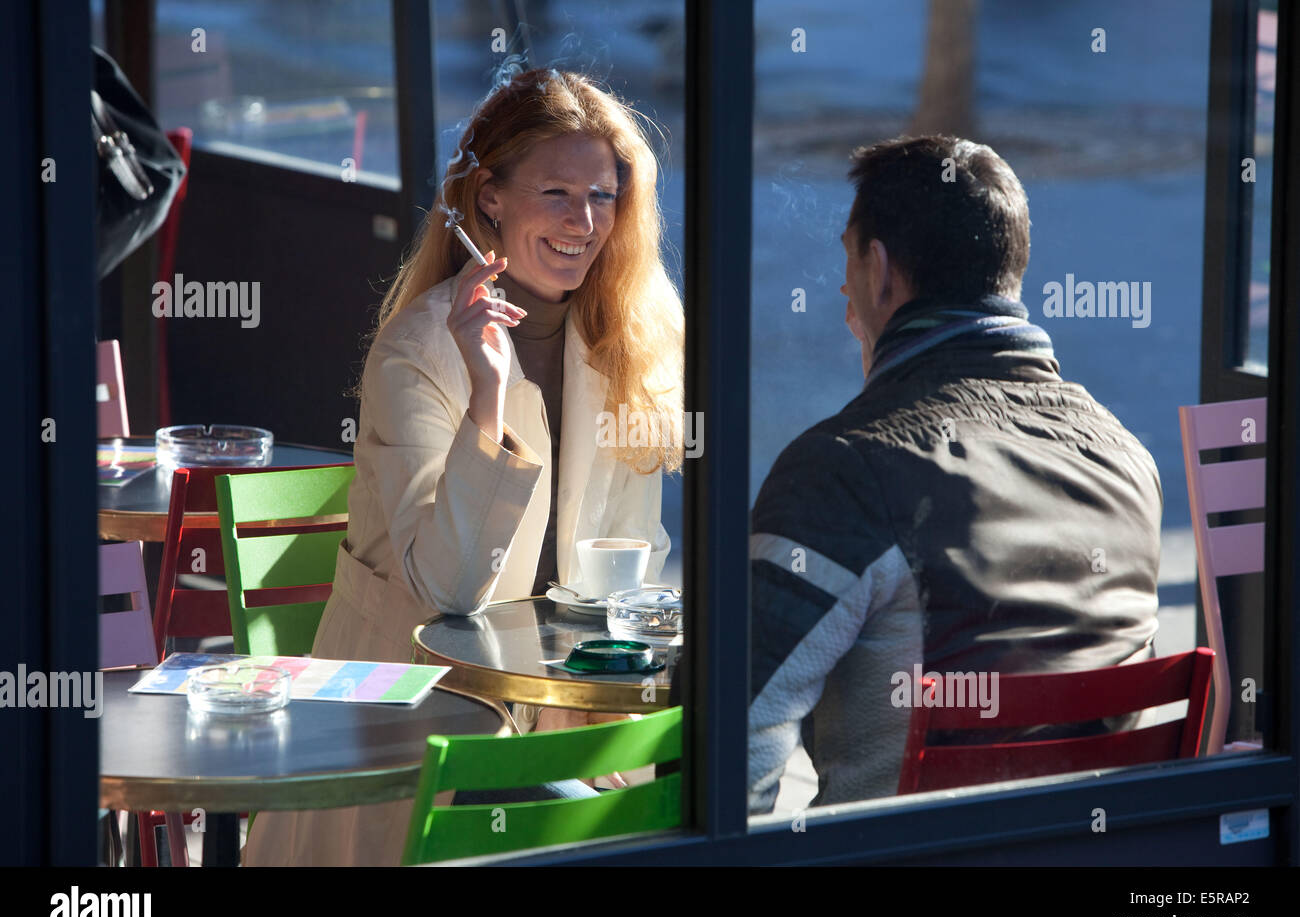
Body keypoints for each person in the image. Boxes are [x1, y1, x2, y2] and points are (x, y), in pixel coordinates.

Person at [245, 67, 684, 865]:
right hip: (428, 721)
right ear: (489, 198)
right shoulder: (418, 352)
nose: (583, 222)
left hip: (561, 716)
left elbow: (632, 557)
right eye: (556, 192)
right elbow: (446, 592)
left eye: (603, 196)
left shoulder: (628, 347)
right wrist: (487, 398)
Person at [748, 135, 1162, 813]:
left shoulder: (845, 470)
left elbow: (738, 736)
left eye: (847, 267)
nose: (847, 302)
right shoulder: (1127, 459)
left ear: (879, 272)